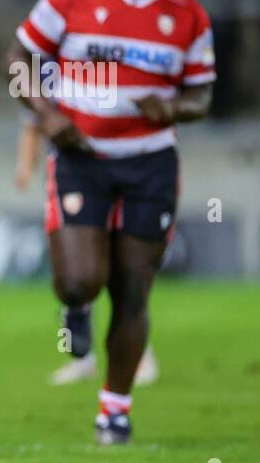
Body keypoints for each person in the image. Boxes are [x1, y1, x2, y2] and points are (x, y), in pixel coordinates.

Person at [7, 0, 213, 444]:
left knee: (133, 290)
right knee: (80, 280)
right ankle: (75, 309)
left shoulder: (187, 14)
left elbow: (203, 93)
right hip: (82, 156)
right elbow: (18, 57)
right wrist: (49, 118)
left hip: (150, 161)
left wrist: (174, 109)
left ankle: (114, 409)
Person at [13, 113, 159, 388]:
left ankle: (140, 356)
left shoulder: (118, 79)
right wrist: (25, 166)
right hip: (73, 182)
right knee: (74, 272)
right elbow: (33, 121)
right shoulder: (55, 75)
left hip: (120, 178)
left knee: (121, 268)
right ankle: (81, 359)